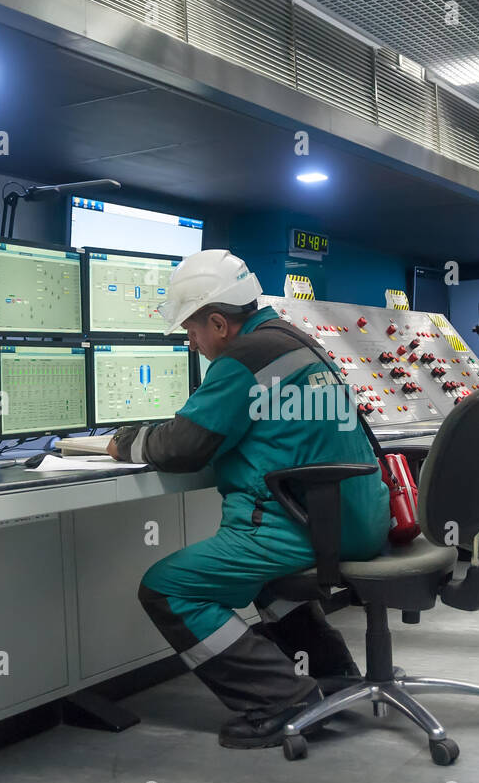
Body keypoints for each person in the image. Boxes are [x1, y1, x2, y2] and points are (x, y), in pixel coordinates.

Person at [106, 250, 389, 749]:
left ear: (218, 322)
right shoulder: (298, 341)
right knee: (268, 585)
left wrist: (121, 442)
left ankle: (281, 701)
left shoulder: (244, 359)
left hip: (301, 525)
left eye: (191, 330)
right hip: (357, 516)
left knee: (168, 588)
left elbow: (183, 446)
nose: (190, 342)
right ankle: (330, 673)